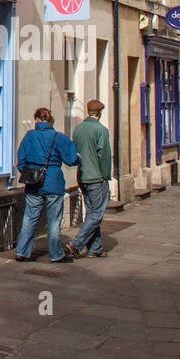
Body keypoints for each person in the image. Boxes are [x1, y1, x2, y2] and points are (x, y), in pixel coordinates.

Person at [14, 107, 79, 263]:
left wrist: (29, 173)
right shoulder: (59, 137)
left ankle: (22, 251)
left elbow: (21, 160)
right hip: (53, 183)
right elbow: (71, 159)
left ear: (36, 119)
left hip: (33, 184)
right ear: (50, 121)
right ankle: (56, 254)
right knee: (54, 221)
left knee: (29, 218)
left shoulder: (29, 136)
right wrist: (79, 158)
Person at [69, 100, 112, 257]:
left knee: (91, 212)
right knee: (97, 214)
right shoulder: (101, 130)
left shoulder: (78, 129)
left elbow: (75, 152)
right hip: (96, 177)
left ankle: (95, 248)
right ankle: (76, 244)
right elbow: (104, 156)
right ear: (99, 113)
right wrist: (106, 176)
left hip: (83, 176)